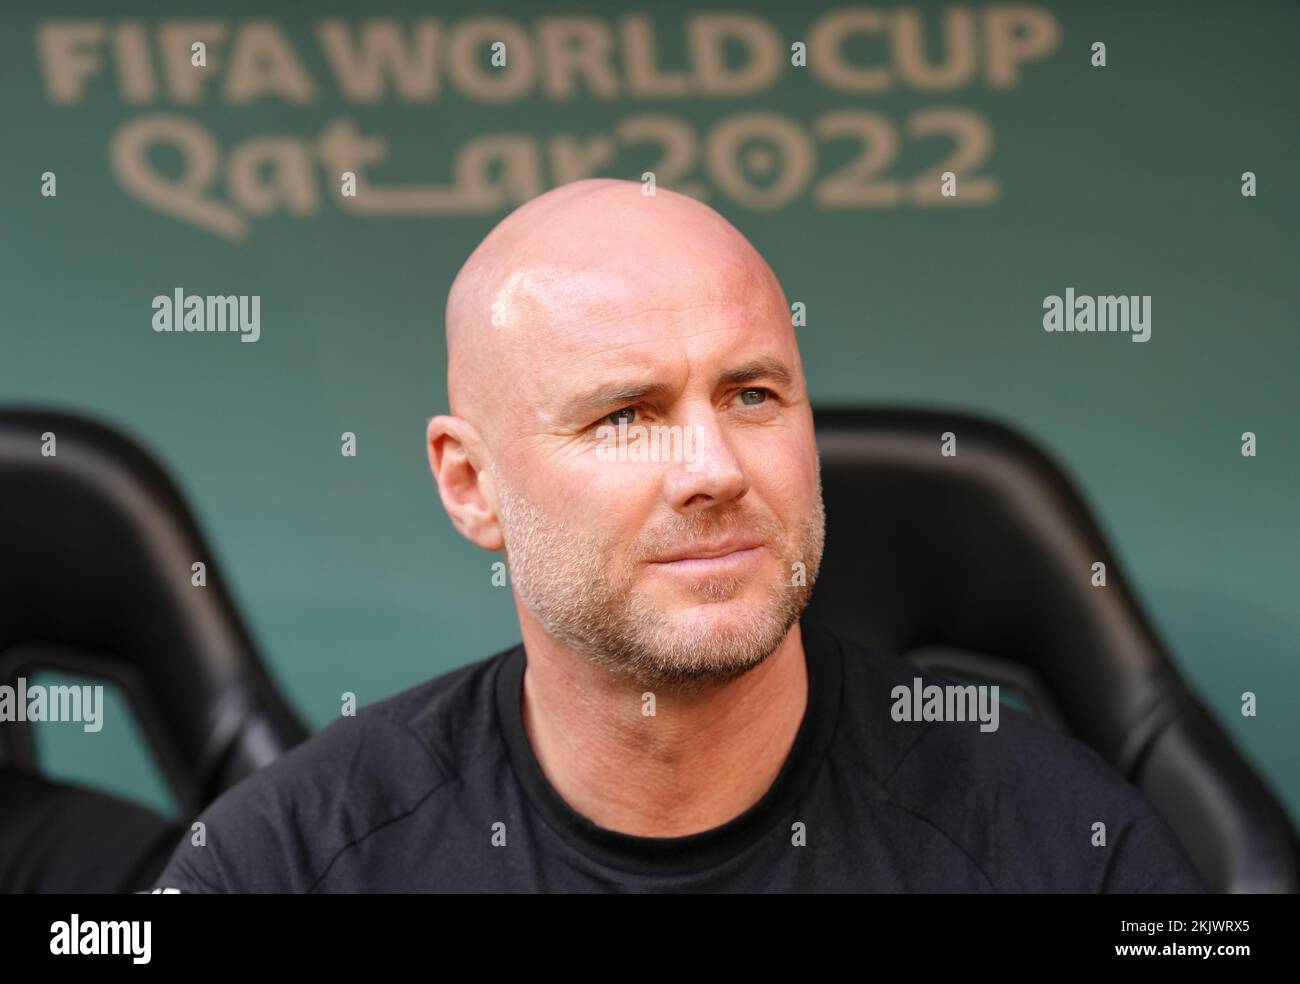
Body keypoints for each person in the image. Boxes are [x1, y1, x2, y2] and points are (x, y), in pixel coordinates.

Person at [150, 178, 1205, 892]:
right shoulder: (282, 864)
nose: (713, 471)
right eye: (625, 417)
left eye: (752, 396)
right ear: (471, 486)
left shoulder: (1068, 849)